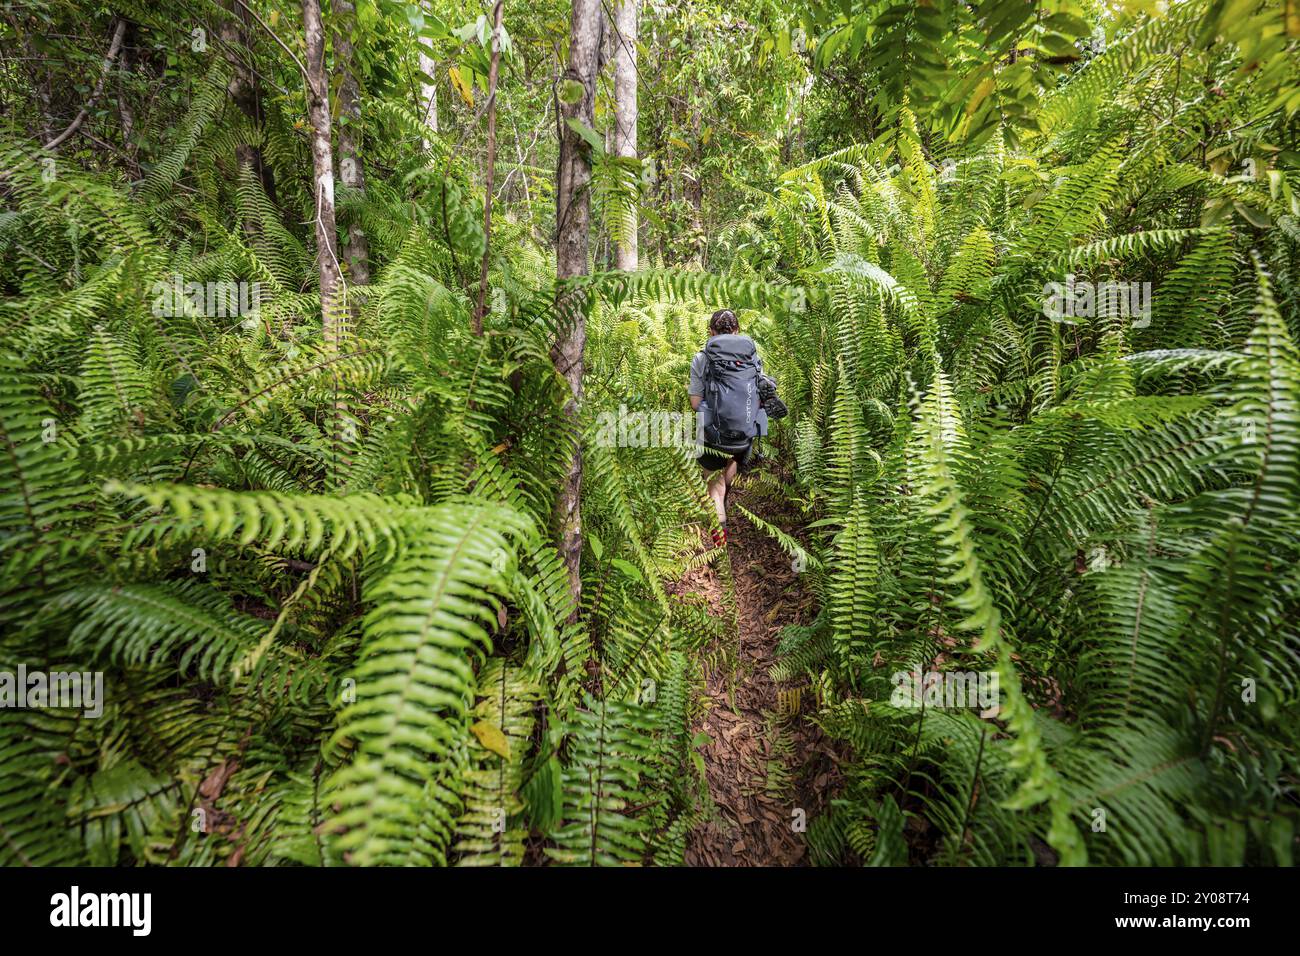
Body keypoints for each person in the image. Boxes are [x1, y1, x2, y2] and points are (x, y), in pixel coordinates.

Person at [688, 308, 765, 548]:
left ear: (711, 333)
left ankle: (719, 549)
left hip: (712, 434)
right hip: (744, 434)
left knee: (715, 490)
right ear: (737, 330)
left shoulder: (702, 357)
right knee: (728, 472)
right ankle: (725, 501)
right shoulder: (752, 357)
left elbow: (695, 402)